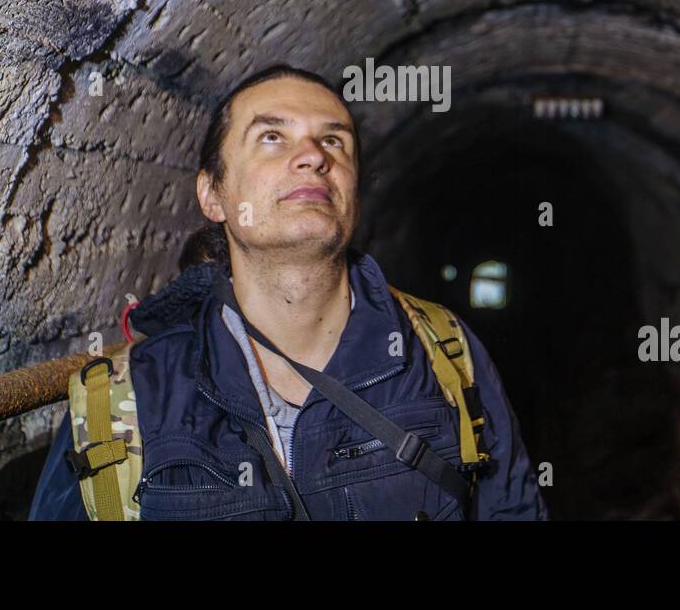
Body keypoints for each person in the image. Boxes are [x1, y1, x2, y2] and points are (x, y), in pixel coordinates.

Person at [28, 63, 547, 520]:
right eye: (272, 137)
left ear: (355, 193)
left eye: (333, 140)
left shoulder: (441, 354)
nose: (313, 157)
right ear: (213, 195)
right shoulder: (123, 401)